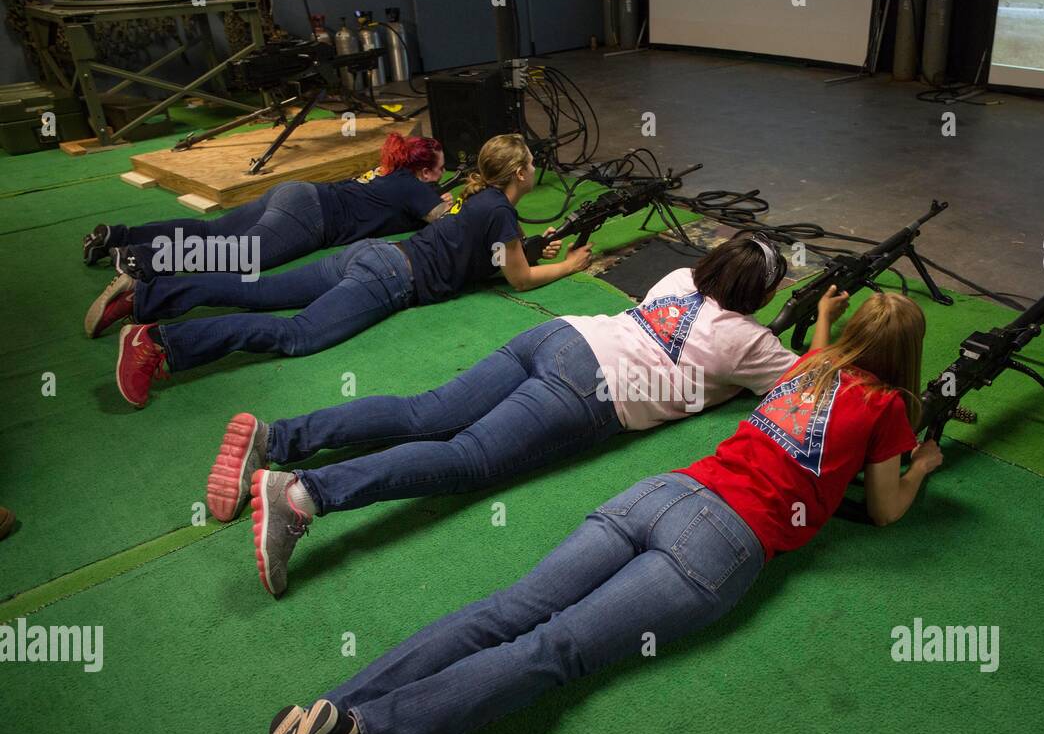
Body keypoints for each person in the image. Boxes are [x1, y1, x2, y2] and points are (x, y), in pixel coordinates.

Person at [233, 290, 942, 734]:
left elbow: (828, 357)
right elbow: (883, 510)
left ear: (845, 337)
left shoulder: (808, 368)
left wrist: (827, 315)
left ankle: (329, 714)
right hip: (720, 541)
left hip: (662, 492)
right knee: (555, 651)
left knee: (504, 611)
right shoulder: (886, 411)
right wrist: (922, 465)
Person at [211, 230, 839, 599]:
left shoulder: (677, 277)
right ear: (759, 294)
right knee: (464, 459)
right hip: (590, 390)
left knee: (426, 410)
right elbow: (808, 384)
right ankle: (303, 496)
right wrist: (827, 324)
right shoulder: (751, 345)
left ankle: (279, 438)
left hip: (558, 337)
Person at [109, 134, 590, 408]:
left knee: (260, 287)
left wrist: (528, 247)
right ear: (521, 173)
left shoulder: (482, 201)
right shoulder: (499, 213)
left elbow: (485, 256)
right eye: (530, 163)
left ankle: (149, 294)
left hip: (368, 254)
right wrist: (570, 265)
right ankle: (157, 343)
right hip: (391, 278)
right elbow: (520, 279)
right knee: (296, 335)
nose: (533, 169)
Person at [83, 133, 450, 338]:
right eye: (441, 167)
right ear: (425, 171)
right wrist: (449, 201)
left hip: (296, 193)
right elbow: (448, 222)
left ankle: (120, 237)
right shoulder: (415, 187)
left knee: (213, 231)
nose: (443, 171)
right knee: (239, 256)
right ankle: (141, 261)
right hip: (309, 217)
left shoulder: (391, 173)